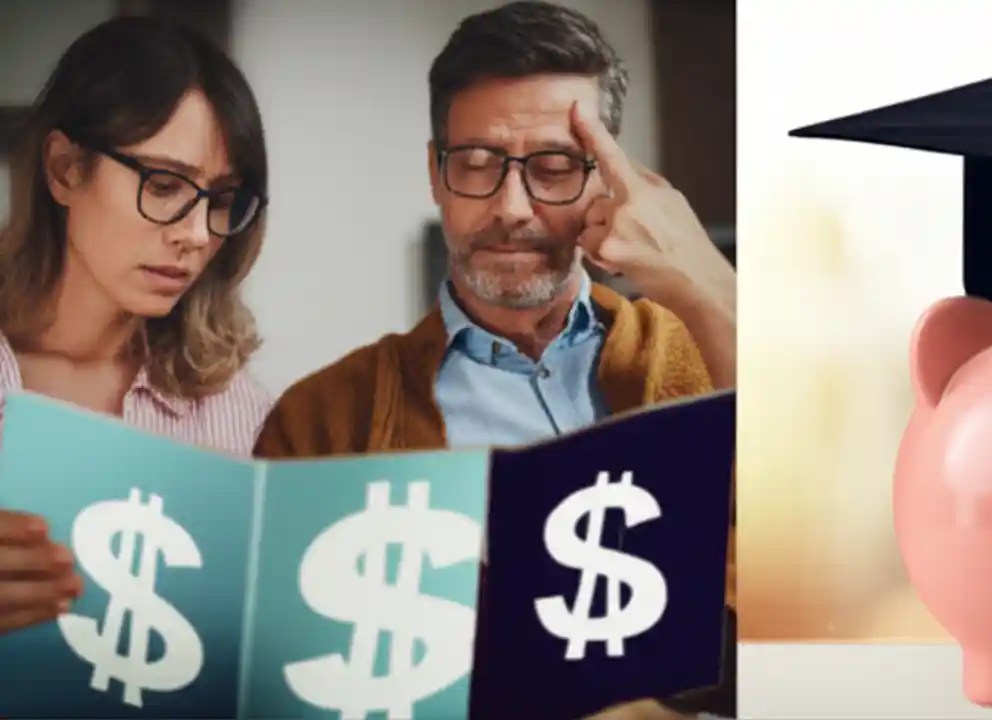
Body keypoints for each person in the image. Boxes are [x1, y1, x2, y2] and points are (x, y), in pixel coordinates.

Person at [252, 1, 736, 717]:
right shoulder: (321, 424)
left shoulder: (701, 358)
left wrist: (703, 279)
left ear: (608, 177)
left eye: (553, 167)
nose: (512, 206)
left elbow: (823, 590)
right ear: (435, 174)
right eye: (476, 164)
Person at [0, 16, 273, 635]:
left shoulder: (238, 412)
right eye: (165, 184)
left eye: (222, 199)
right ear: (65, 169)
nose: (197, 234)